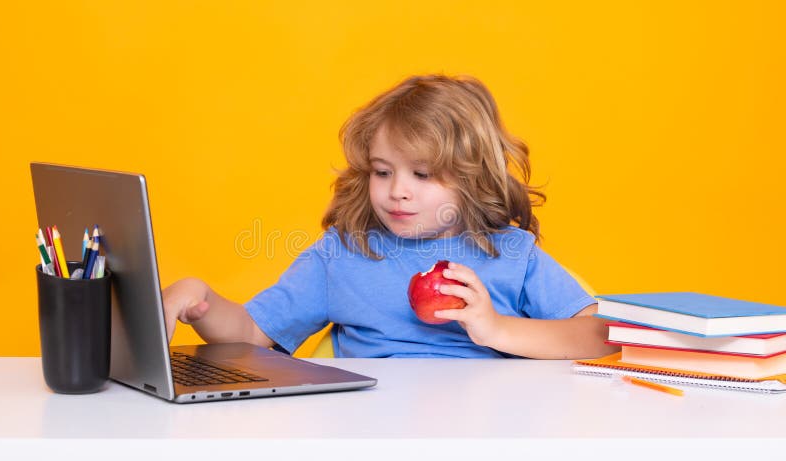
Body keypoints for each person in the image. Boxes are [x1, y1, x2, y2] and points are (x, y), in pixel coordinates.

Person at [163, 74, 617, 359]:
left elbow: (600, 336)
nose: (397, 191)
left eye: (422, 174)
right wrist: (199, 300)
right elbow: (248, 334)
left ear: (471, 178)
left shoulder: (510, 252)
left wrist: (496, 328)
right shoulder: (343, 253)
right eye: (383, 171)